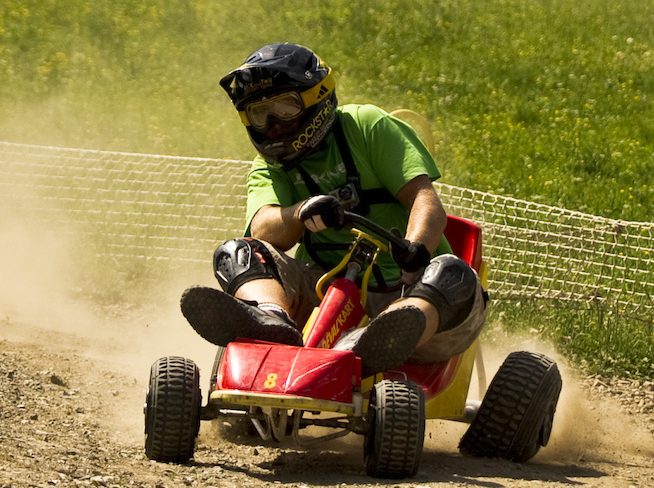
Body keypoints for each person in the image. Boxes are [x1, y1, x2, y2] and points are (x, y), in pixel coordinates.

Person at [181, 43, 487, 376]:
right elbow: (263, 231)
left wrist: (415, 251)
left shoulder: (368, 126)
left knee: (454, 274)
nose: (273, 124)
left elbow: (425, 200)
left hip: (410, 292)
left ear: (317, 98)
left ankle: (378, 336)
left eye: (285, 107)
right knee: (235, 253)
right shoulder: (268, 168)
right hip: (322, 294)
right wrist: (301, 211)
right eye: (259, 113)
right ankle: (270, 319)